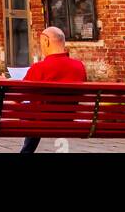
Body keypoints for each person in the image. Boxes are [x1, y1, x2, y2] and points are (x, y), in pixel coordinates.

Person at [18, 26, 87, 154]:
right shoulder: (79, 66)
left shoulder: (39, 68)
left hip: (41, 121)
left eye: (41, 43)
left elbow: (18, 96)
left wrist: (3, 82)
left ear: (46, 41)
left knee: (32, 112)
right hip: (69, 118)